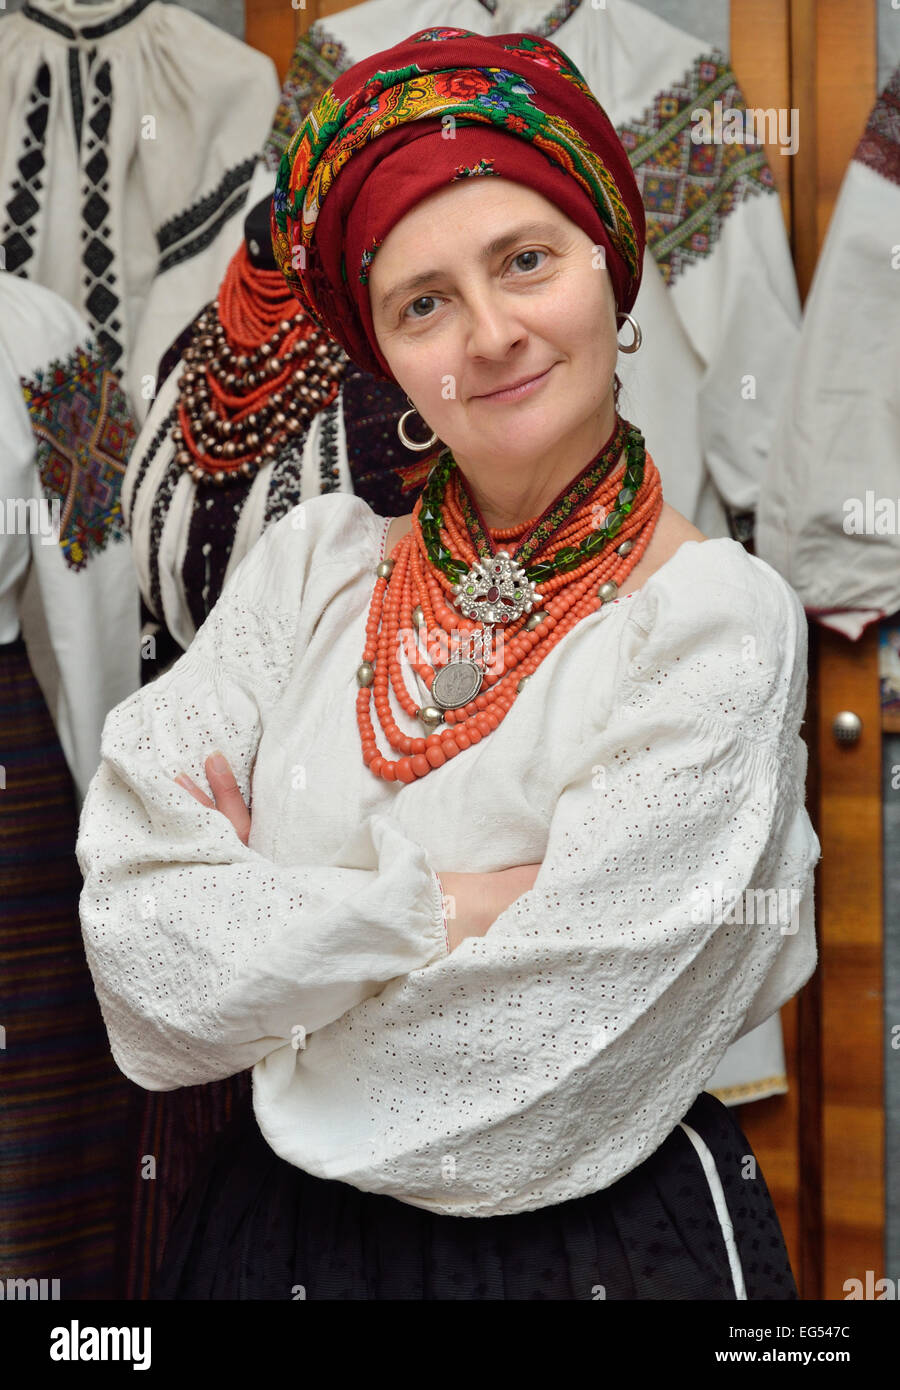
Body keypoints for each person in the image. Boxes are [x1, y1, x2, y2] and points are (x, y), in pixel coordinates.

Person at [76, 26, 821, 1300]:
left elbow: (535, 1060)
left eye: (525, 262)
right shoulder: (312, 570)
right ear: (387, 356)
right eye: (424, 302)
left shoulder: (713, 624)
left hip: (590, 1252)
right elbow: (145, 957)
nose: (490, 335)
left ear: (610, 269)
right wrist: (455, 905)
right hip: (271, 1248)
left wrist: (281, 930)